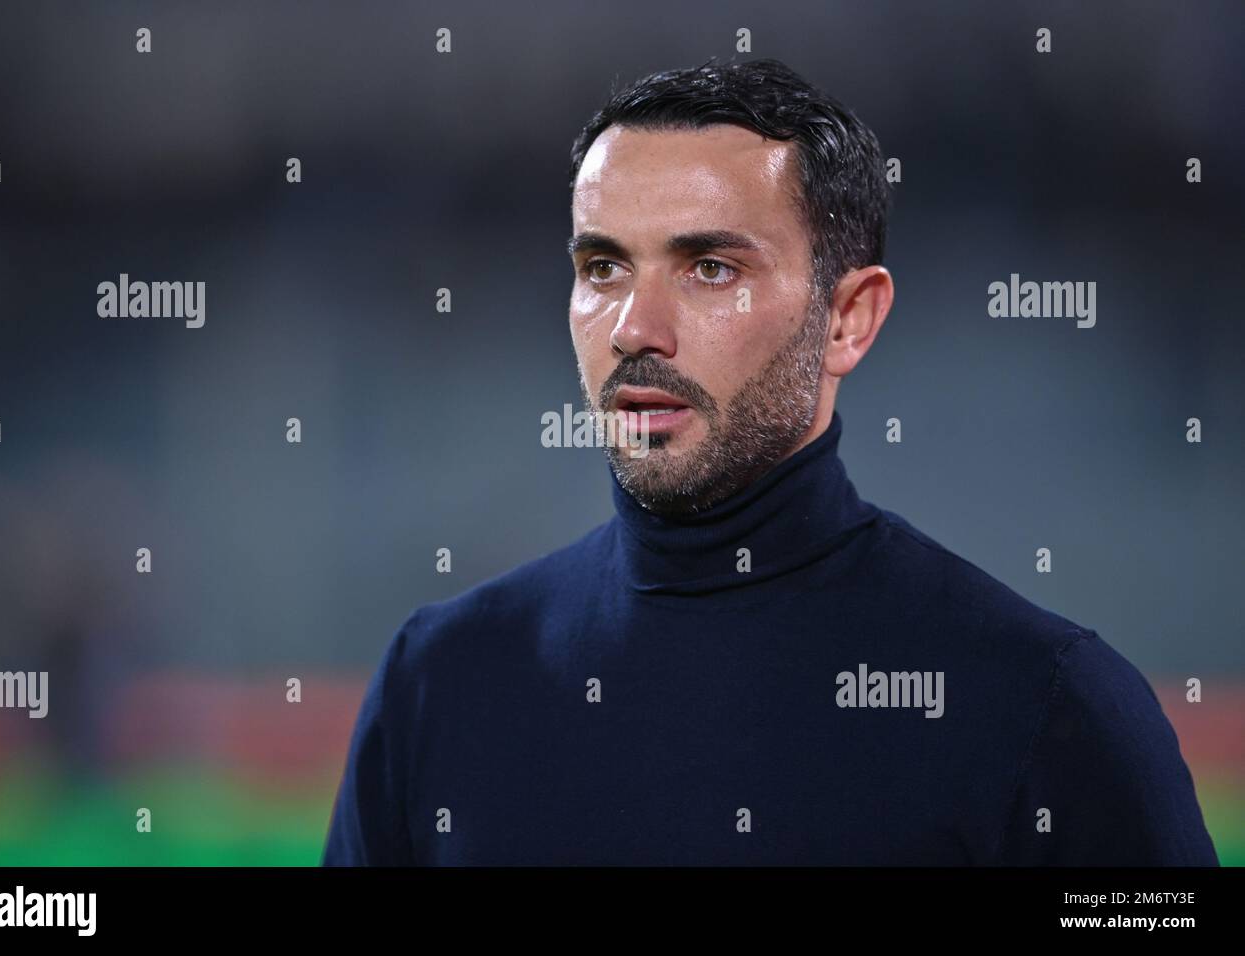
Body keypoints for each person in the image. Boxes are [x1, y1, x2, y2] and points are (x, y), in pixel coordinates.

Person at [322, 58, 1218, 865]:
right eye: (602, 267)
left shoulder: (1047, 709)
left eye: (709, 267)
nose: (636, 328)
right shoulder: (439, 683)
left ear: (848, 319)